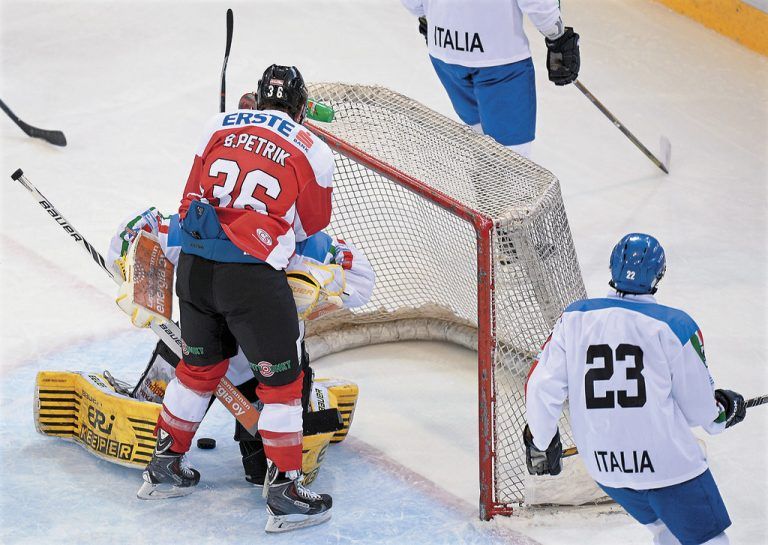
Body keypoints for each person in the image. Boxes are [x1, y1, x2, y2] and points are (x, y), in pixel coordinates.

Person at [134, 64, 337, 533]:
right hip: (251, 279)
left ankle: (165, 463)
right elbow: (310, 227)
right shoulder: (313, 147)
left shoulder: (219, 124)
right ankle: (285, 488)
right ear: (302, 107)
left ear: (256, 98)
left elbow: (189, 198)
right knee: (284, 383)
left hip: (196, 269)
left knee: (199, 369)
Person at [107, 204, 374, 486]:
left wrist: (325, 282)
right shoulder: (205, 227)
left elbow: (361, 279)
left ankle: (304, 399)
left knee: (263, 473)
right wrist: (136, 276)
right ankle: (166, 444)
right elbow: (139, 228)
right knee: (145, 433)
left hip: (265, 370)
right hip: (196, 350)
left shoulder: (310, 247)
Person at [524, 233, 747, 545]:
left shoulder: (574, 318)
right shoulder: (674, 326)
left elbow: (539, 386)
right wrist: (724, 411)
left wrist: (542, 441)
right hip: (669, 469)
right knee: (708, 539)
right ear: (660, 274)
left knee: (664, 530)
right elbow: (701, 412)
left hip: (606, 468)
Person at [400, 0, 580, 158]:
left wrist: (425, 16)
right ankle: (499, 189)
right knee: (511, 157)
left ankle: (487, 183)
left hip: (444, 51)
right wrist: (557, 35)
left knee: (479, 134)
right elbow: (539, 3)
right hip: (500, 59)